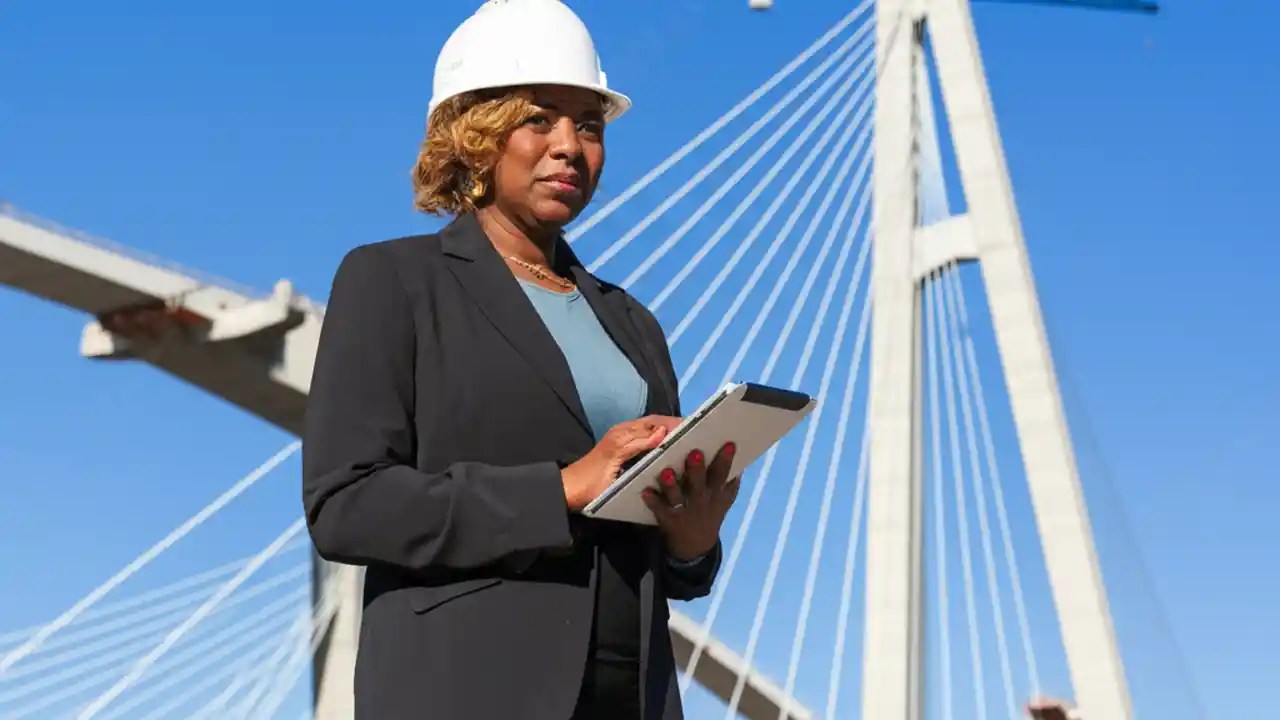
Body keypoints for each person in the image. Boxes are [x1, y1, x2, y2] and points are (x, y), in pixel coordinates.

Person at [301, 1, 739, 718]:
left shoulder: (634, 325)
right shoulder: (395, 283)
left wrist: (692, 544)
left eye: (589, 126)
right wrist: (560, 488)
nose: (571, 146)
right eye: (540, 119)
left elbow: (668, 567)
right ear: (476, 137)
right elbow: (346, 507)